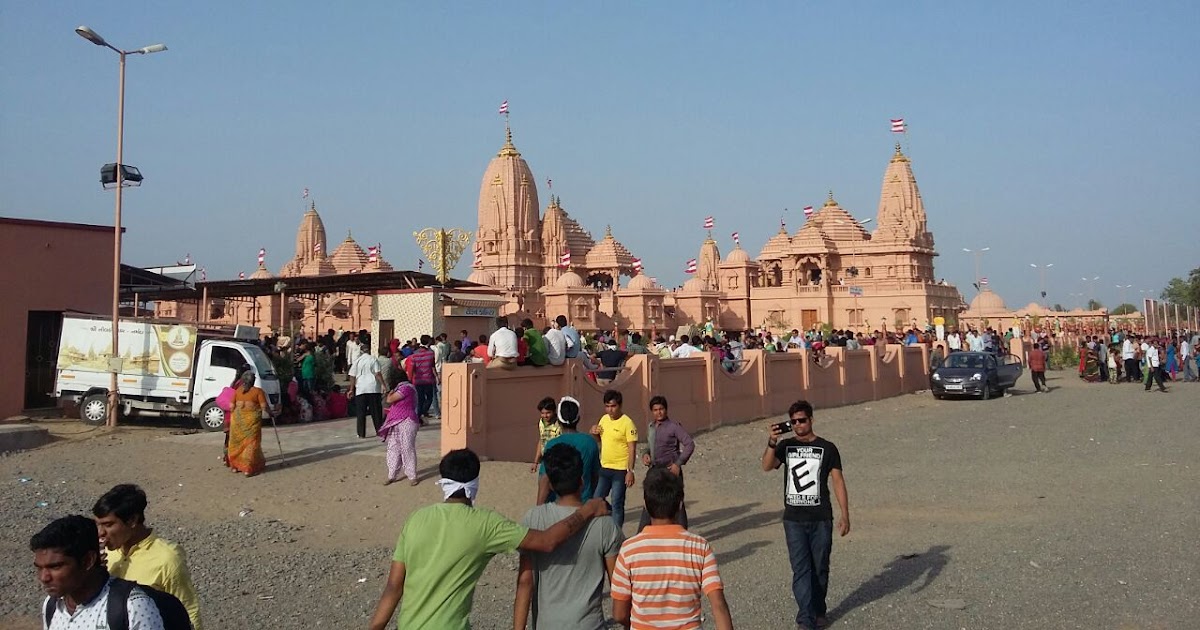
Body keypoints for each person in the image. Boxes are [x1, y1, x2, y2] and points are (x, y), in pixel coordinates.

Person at [367, 449, 611, 630]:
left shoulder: (415, 519)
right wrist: (588, 510)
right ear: (476, 482)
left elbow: (393, 586)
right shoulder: (485, 524)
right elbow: (547, 542)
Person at [514, 444, 623, 630]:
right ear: (582, 481)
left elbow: (525, 581)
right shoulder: (605, 524)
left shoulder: (533, 518)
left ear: (550, 483)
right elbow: (618, 586)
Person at [611, 467, 733, 630]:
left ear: (645, 505)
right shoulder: (699, 546)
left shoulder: (629, 550)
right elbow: (718, 605)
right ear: (680, 505)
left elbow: (619, 614)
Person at [764, 400, 851, 630]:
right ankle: (806, 619)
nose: (798, 425)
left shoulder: (828, 448)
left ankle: (818, 609)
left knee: (820, 567)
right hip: (794, 519)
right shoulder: (786, 445)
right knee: (801, 569)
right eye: (793, 422)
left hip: (821, 517)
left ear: (811, 420)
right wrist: (772, 441)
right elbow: (766, 465)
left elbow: (838, 480)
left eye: (802, 420)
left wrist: (845, 514)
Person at [93, 485, 202, 629]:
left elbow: (188, 609)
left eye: (108, 525)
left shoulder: (166, 558)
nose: (100, 533)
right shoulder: (102, 555)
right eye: (98, 525)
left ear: (132, 520)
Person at [32, 515, 167, 629]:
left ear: (88, 561)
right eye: (39, 567)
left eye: (55, 567)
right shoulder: (51, 606)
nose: (44, 577)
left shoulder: (133, 606)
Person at [637, 396, 695, 533]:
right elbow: (648, 446)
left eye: (661, 409)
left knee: (677, 503)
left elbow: (689, 444)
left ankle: (682, 533)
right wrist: (646, 454)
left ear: (666, 410)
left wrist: (678, 464)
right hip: (655, 469)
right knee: (649, 500)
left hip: (670, 470)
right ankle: (641, 533)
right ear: (652, 411)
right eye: (656, 410)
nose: (659, 412)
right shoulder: (651, 427)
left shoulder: (674, 427)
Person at [537, 396, 601, 505]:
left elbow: (544, 479)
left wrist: (538, 509)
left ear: (559, 419)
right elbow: (596, 475)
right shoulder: (590, 442)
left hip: (557, 503)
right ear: (578, 418)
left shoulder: (551, 444)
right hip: (583, 502)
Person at [590, 390, 638, 530]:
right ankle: (609, 517)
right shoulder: (604, 419)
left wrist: (630, 471)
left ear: (620, 405)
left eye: (613, 406)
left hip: (621, 469)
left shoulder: (627, 423)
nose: (610, 410)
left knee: (617, 501)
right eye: (607, 406)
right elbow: (600, 440)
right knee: (597, 498)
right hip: (605, 466)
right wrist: (594, 433)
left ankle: (617, 532)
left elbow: (632, 448)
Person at [226, 370, 273, 476]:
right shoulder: (258, 391)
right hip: (252, 423)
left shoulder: (238, 391)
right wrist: (271, 414)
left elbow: (231, 406)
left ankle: (235, 466)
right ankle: (248, 468)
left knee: (236, 443)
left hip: (237, 423)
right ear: (253, 380)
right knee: (251, 444)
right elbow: (264, 406)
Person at [380, 370, 420, 486]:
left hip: (407, 420)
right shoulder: (402, 388)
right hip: (396, 421)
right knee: (393, 447)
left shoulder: (406, 388)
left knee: (407, 447)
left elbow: (389, 400)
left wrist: (390, 392)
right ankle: (391, 474)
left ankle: (412, 475)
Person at [349, 341, 386, 439]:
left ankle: (361, 433)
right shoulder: (373, 359)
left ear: (361, 351)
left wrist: (351, 389)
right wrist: (383, 385)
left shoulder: (357, 361)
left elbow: (352, 376)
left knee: (361, 412)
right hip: (373, 388)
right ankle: (379, 430)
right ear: (369, 350)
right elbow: (377, 373)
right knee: (376, 411)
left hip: (361, 388)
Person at [406, 336, 437, 420]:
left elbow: (412, 369)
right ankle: (423, 411)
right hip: (428, 380)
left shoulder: (414, 355)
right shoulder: (431, 353)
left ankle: (418, 416)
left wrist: (410, 379)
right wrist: (437, 376)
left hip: (418, 380)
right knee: (430, 398)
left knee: (420, 400)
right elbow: (433, 366)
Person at [530, 397, 561, 474]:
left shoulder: (559, 425)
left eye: (548, 413)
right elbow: (541, 441)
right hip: (545, 460)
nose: (545, 416)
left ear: (554, 412)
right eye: (542, 413)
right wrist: (535, 462)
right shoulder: (541, 423)